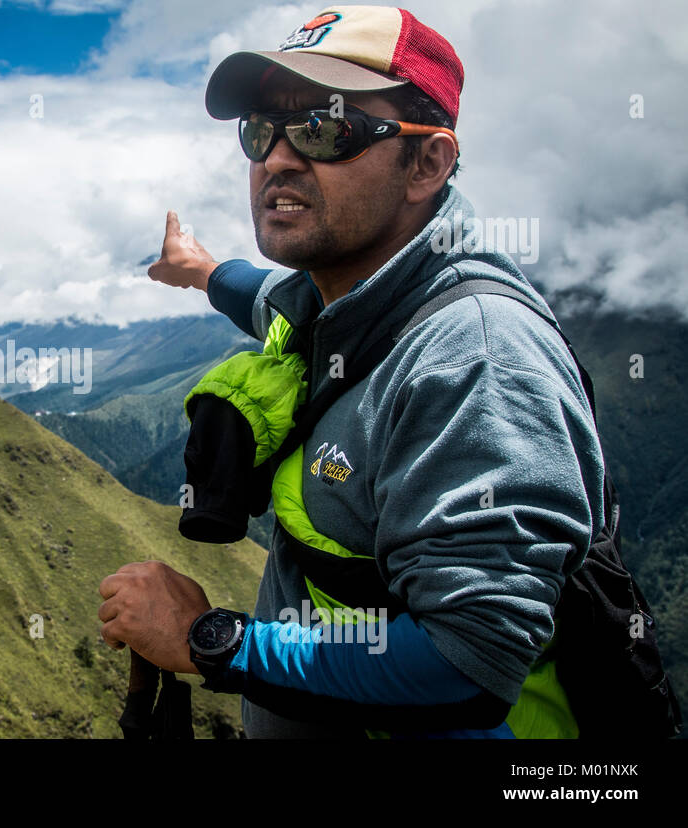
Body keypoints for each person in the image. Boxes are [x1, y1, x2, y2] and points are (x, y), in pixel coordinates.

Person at [96, 5, 606, 738]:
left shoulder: (475, 359)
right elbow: (257, 295)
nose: (277, 157)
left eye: (324, 128)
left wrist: (212, 639)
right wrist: (197, 271)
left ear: (426, 164)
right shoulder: (333, 298)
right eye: (261, 131)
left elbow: (470, 662)